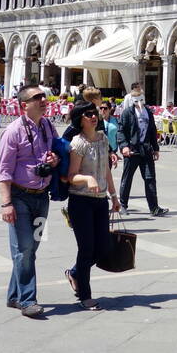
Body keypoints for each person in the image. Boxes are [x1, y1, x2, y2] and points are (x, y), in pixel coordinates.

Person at [0, 86, 60, 318]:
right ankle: (27, 300)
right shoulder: (13, 131)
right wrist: (6, 204)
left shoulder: (48, 126)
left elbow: (57, 150)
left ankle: (14, 295)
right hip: (20, 197)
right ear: (25, 105)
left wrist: (55, 159)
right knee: (23, 250)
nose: (44, 100)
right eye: (37, 98)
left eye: (44, 96)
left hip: (42, 197)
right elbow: (3, 170)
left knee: (32, 248)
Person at [63, 101, 119, 311]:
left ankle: (75, 273)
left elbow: (106, 170)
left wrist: (114, 195)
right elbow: (71, 176)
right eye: (88, 114)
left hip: (100, 200)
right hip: (81, 201)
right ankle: (85, 295)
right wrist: (87, 179)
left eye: (94, 113)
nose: (94, 116)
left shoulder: (103, 139)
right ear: (80, 119)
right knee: (86, 249)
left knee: (103, 247)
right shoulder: (78, 143)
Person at [119, 85, 167, 216]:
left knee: (150, 178)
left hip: (146, 150)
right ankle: (123, 205)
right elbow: (121, 130)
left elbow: (152, 131)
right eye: (136, 100)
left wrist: (156, 149)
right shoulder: (127, 113)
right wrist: (124, 146)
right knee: (127, 178)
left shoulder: (148, 112)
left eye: (141, 100)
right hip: (132, 150)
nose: (139, 103)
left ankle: (154, 207)